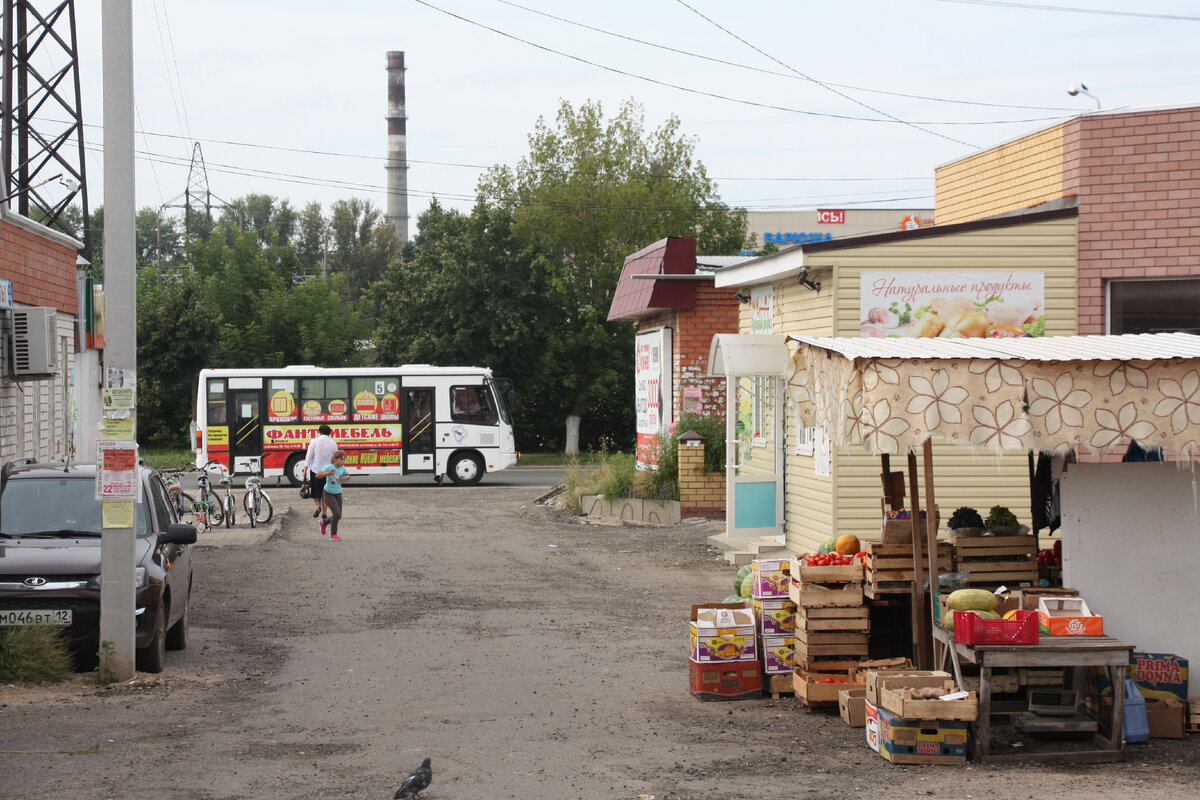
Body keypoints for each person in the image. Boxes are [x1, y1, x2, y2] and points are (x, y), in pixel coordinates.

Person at [304, 424, 338, 520]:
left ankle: (318, 507)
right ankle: (324, 512)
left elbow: (309, 455)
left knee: (316, 491)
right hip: (328, 471)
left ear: (319, 432)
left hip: (316, 470)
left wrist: (305, 468)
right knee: (326, 492)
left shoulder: (314, 442)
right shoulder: (333, 443)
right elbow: (336, 457)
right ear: (329, 433)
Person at [315, 450, 349, 540]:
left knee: (339, 515)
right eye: (341, 460)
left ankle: (324, 523)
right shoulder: (329, 467)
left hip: (338, 493)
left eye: (344, 460)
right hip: (328, 493)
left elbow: (347, 475)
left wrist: (346, 478)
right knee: (336, 513)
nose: (343, 462)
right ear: (335, 459)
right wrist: (327, 473)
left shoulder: (343, 468)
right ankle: (333, 534)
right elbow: (317, 475)